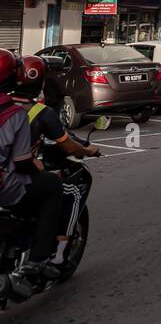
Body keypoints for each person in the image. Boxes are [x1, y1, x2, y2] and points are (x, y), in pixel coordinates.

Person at [14, 56, 101, 267]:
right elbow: (69, 145)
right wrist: (87, 151)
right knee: (69, 191)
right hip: (15, 177)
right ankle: (52, 255)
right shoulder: (42, 113)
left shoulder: (8, 106)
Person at [0, 50, 64, 299]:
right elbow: (23, 161)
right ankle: (36, 260)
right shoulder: (16, 113)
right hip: (5, 188)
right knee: (51, 185)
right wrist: (39, 169)